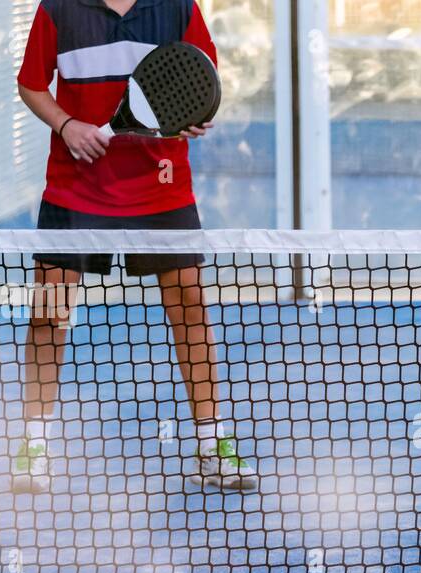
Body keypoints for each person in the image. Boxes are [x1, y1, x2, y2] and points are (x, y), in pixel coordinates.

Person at [13, 0, 256, 492]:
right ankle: (33, 445)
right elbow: (31, 85)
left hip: (161, 189)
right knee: (49, 312)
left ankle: (211, 445)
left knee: (190, 307)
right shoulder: (59, 7)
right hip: (73, 188)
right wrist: (66, 125)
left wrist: (196, 117)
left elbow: (201, 82)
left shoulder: (176, 7)